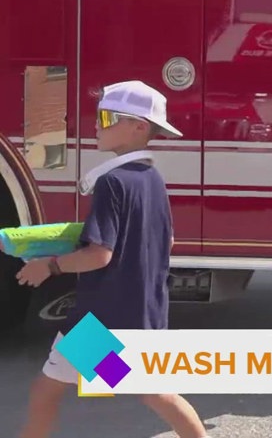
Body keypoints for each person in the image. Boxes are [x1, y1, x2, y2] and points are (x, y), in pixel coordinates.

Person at [15, 81, 210, 438]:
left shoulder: (112, 183)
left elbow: (100, 255)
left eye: (106, 117)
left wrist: (49, 266)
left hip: (100, 321)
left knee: (46, 391)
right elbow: (166, 241)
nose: (96, 124)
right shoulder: (152, 179)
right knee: (154, 393)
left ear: (139, 127)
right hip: (143, 315)